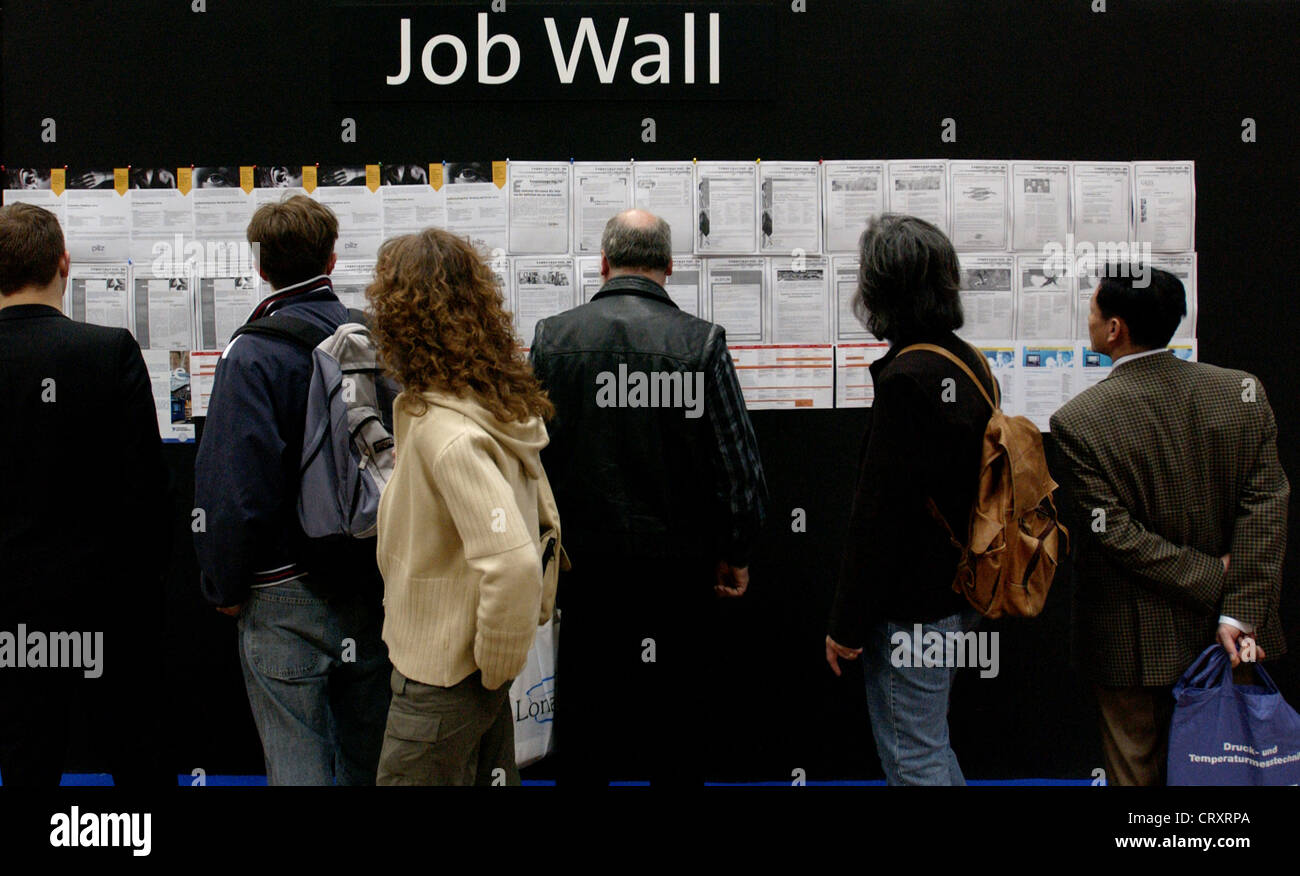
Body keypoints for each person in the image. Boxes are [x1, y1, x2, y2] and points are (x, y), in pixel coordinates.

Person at [529, 208, 768, 786]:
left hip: (582, 569)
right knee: (677, 724)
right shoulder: (701, 342)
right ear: (669, 267)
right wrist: (736, 552)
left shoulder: (553, 339)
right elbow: (738, 467)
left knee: (583, 723)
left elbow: (528, 460)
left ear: (604, 264)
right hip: (678, 571)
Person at [1049, 266, 1288, 786]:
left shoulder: (1078, 420)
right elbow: (1266, 504)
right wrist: (1239, 607)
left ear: (1114, 329)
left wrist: (1210, 577)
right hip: (1231, 637)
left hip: (1129, 645)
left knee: (1136, 780)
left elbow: (1112, 533)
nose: (1087, 319)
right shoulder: (1241, 393)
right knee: (1229, 778)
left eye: (1091, 310)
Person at [193, 194, 389, 785]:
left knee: (297, 762)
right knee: (371, 757)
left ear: (259, 265)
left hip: (282, 589)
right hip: (374, 576)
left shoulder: (251, 351)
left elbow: (234, 489)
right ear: (332, 258)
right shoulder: (377, 340)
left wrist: (224, 583)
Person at [366, 229, 563, 786]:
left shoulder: (446, 433)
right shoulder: (476, 406)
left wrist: (494, 664)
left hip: (442, 680)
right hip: (464, 675)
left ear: (400, 316)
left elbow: (513, 561)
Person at [0, 202, 172, 786]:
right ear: (63, 262)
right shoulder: (107, 351)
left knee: (26, 759)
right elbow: (147, 490)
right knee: (136, 753)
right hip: (107, 604)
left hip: (12, 612)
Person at [825, 214, 993, 786]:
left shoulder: (907, 378)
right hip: (958, 589)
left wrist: (845, 626)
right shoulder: (965, 360)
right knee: (930, 745)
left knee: (913, 758)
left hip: (914, 608)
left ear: (880, 291)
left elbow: (878, 520)